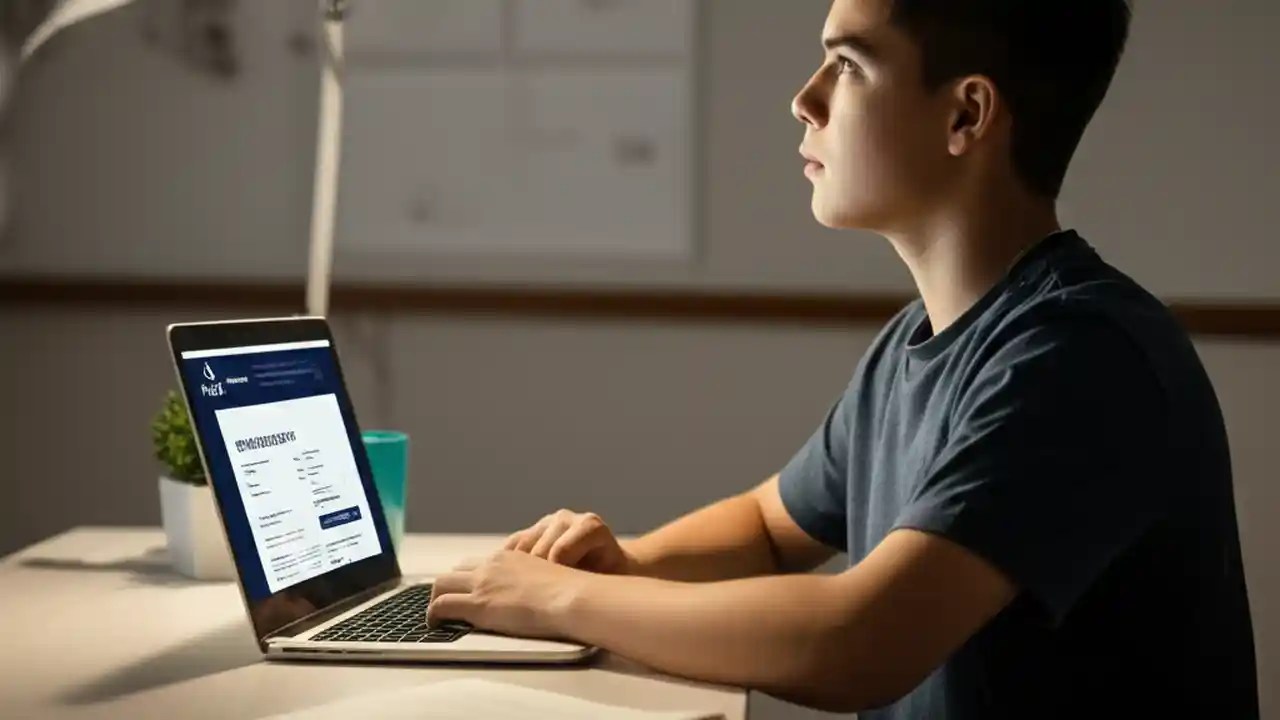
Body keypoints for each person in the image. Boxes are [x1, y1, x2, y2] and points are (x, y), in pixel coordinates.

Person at [426, 1, 1260, 716]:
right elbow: (767, 527)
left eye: (849, 65)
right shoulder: (914, 342)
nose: (805, 100)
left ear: (966, 116)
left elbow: (858, 640)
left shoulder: (1081, 355)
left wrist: (563, 599)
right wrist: (628, 563)